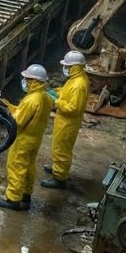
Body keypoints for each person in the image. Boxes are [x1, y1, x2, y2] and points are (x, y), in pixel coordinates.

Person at [0, 64, 53, 212]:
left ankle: (13, 199)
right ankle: (26, 196)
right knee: (29, 167)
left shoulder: (31, 100)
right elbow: (27, 113)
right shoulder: (45, 97)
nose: (25, 82)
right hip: (35, 138)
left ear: (34, 81)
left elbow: (19, 121)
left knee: (16, 167)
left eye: (27, 79)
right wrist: (9, 106)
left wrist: (6, 114)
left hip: (23, 139)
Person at [42, 51, 90, 190]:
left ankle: (59, 178)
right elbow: (66, 92)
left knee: (62, 149)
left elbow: (74, 108)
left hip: (68, 121)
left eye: (68, 66)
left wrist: (57, 102)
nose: (66, 69)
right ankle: (57, 168)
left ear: (75, 67)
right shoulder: (75, 78)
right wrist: (55, 92)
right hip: (64, 119)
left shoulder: (79, 84)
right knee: (58, 146)